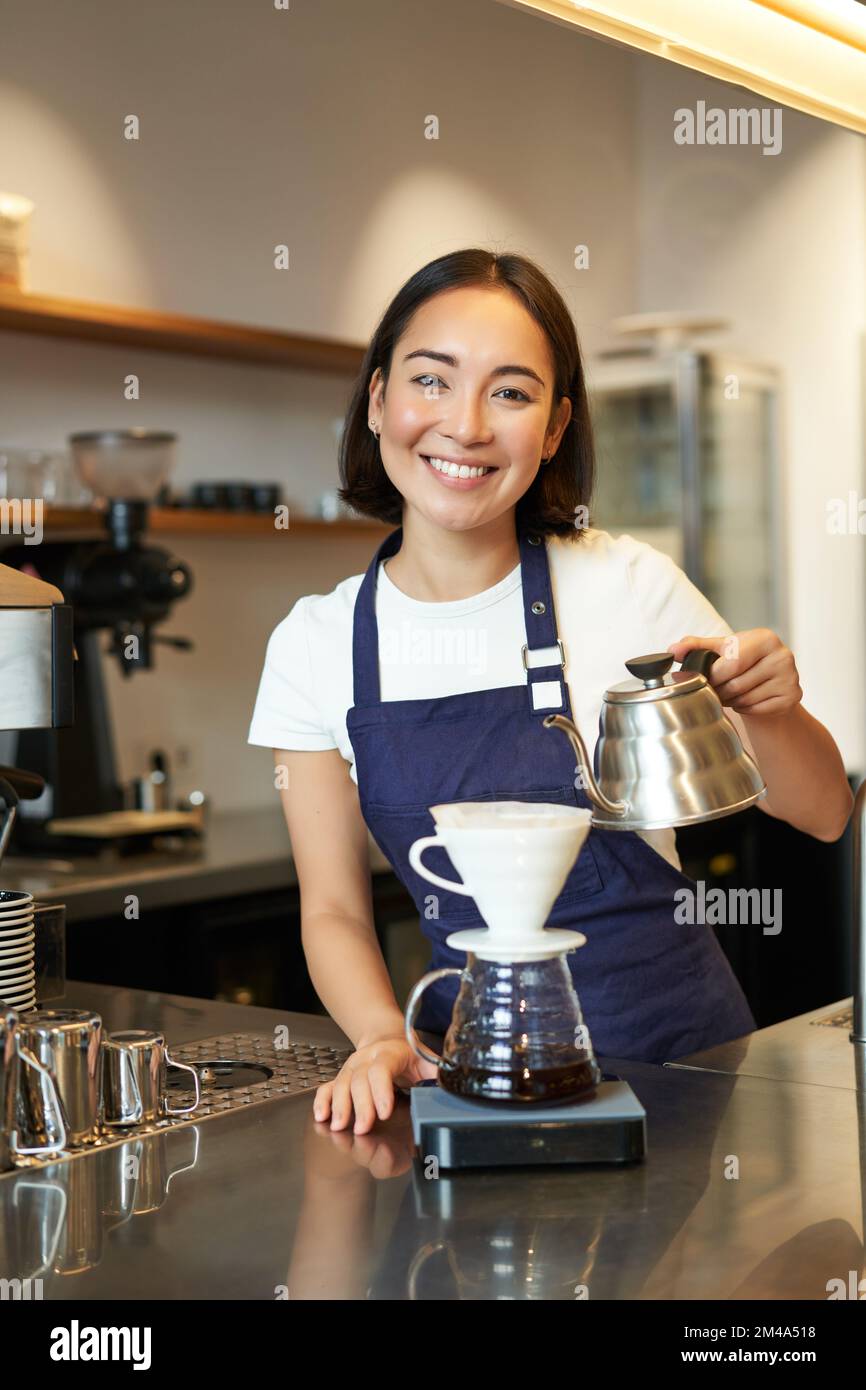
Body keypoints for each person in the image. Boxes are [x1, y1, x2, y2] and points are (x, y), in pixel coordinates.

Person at [249, 248, 852, 1134]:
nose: (465, 425)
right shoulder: (314, 643)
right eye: (432, 380)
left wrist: (773, 707)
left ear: (556, 425)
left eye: (511, 392)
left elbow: (825, 812)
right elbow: (333, 909)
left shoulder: (631, 587)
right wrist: (380, 1034)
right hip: (485, 1078)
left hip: (687, 1077)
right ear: (378, 399)